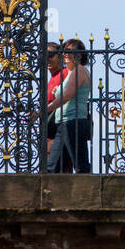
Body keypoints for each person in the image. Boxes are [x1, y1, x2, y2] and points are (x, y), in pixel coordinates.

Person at [46, 39, 91, 173]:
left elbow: (67, 95)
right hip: (64, 123)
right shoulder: (71, 74)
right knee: (52, 167)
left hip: (73, 122)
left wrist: (43, 111)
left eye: (70, 51)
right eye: (64, 51)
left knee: (80, 166)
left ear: (80, 55)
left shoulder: (80, 70)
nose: (65, 54)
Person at [44, 43, 66, 166]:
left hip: (58, 129)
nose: (47, 59)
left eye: (50, 55)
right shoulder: (52, 77)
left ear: (60, 57)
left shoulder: (64, 74)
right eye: (44, 55)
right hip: (50, 131)